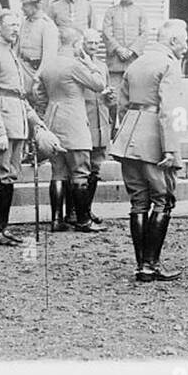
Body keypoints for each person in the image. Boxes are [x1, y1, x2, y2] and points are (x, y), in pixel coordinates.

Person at [111, 19, 188, 281]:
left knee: (138, 202)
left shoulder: (136, 63)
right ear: (173, 41)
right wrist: (172, 148)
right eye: (185, 41)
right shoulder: (169, 65)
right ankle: (150, 265)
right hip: (154, 140)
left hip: (129, 139)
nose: (187, 46)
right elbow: (170, 111)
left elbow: (122, 104)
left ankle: (141, 265)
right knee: (163, 199)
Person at [0, 9, 48, 246]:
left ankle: (2, 229)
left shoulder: (10, 54)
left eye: (18, 25)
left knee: (7, 177)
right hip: (2, 125)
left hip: (16, 122)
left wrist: (35, 121)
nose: (16, 29)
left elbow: (18, 95)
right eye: (11, 25)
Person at [40, 27, 108, 234]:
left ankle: (56, 220)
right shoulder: (75, 65)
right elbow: (99, 84)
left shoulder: (49, 64)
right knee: (80, 170)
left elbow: (39, 94)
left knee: (58, 172)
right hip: (74, 121)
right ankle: (83, 220)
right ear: (77, 43)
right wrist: (91, 65)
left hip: (53, 119)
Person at [80, 28, 118, 228]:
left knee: (95, 168)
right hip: (84, 119)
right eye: (89, 43)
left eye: (95, 43)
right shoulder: (78, 64)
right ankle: (76, 213)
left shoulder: (102, 66)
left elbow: (106, 93)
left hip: (100, 120)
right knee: (80, 169)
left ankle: (87, 209)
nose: (93, 46)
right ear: (82, 43)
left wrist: (110, 97)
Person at [101, 0, 149, 130]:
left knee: (131, 98)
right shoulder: (111, 12)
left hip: (133, 62)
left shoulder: (140, 12)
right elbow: (106, 33)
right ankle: (110, 133)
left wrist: (132, 50)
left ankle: (127, 131)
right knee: (113, 99)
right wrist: (118, 49)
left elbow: (144, 33)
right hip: (115, 62)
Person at [18, 0, 59, 106]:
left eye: (25, 5)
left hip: (36, 74)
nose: (22, 9)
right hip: (22, 72)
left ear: (35, 6)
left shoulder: (47, 25)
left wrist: (37, 79)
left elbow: (49, 57)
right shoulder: (25, 22)